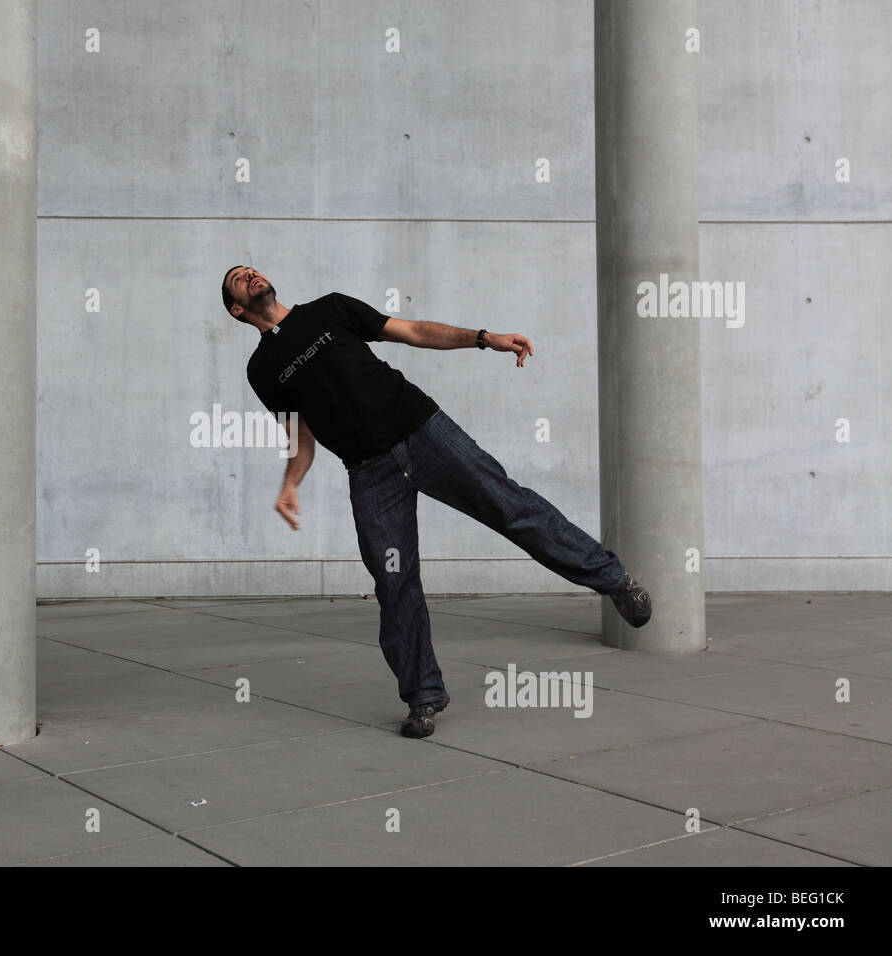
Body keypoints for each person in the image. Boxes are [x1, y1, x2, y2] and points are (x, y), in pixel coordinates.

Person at [221, 265, 652, 738]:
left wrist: (485, 338)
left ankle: (614, 579)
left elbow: (414, 331)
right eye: (239, 280)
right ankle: (423, 697)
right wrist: (289, 485)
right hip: (369, 473)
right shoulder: (261, 370)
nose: (251, 275)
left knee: (512, 507)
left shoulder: (329, 309)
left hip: (424, 431)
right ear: (238, 308)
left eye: (251, 269)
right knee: (394, 581)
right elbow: (300, 437)